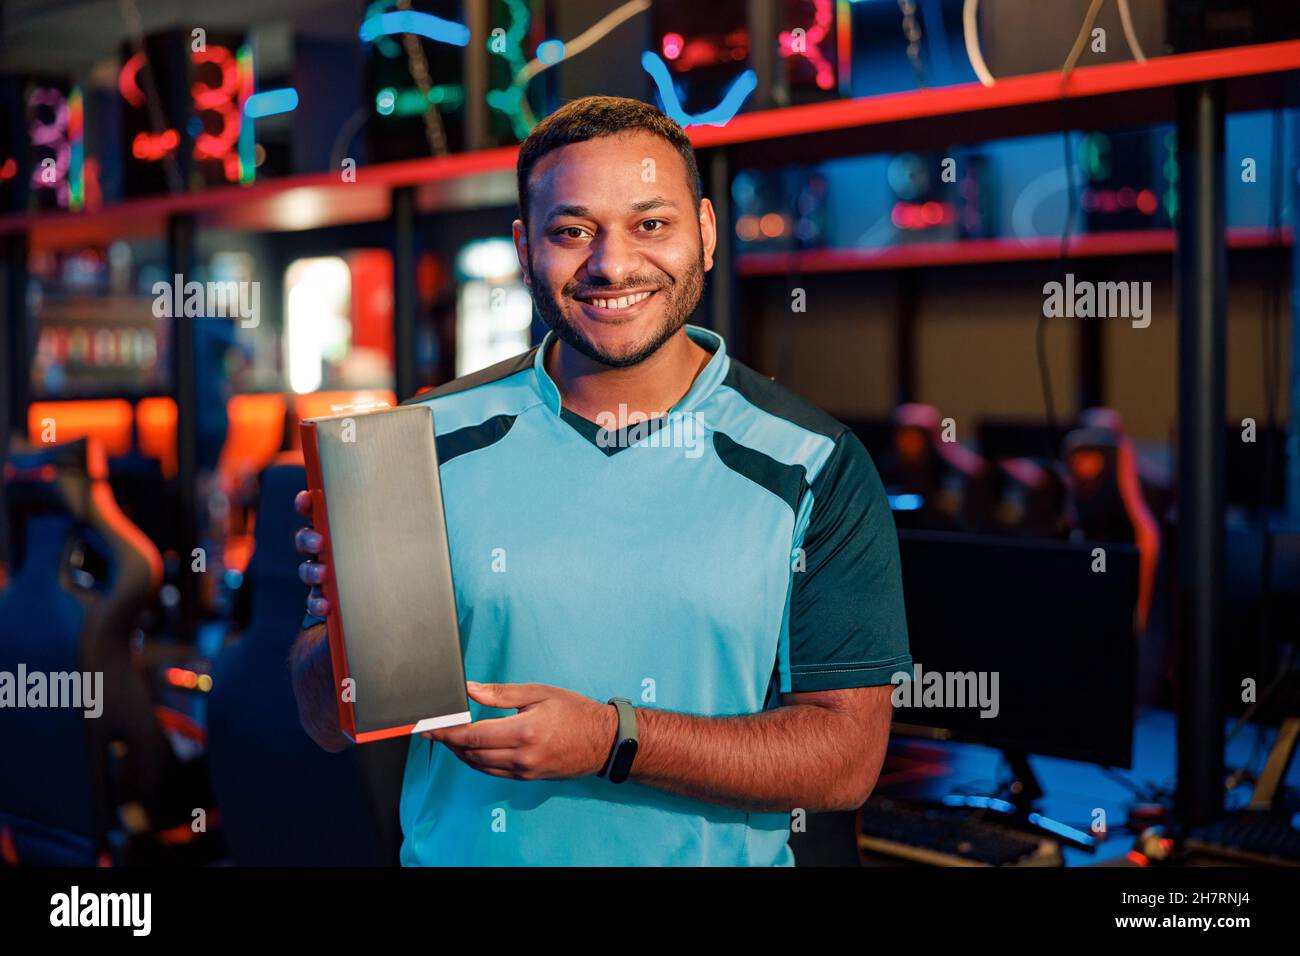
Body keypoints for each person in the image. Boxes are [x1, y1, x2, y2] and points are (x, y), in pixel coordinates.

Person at [290, 95, 910, 866]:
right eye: (571, 231)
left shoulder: (814, 461)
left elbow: (845, 761)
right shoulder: (423, 438)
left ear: (706, 234)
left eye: (651, 224)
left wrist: (612, 739)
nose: (612, 264)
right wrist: (349, 625)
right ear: (525, 250)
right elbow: (325, 718)